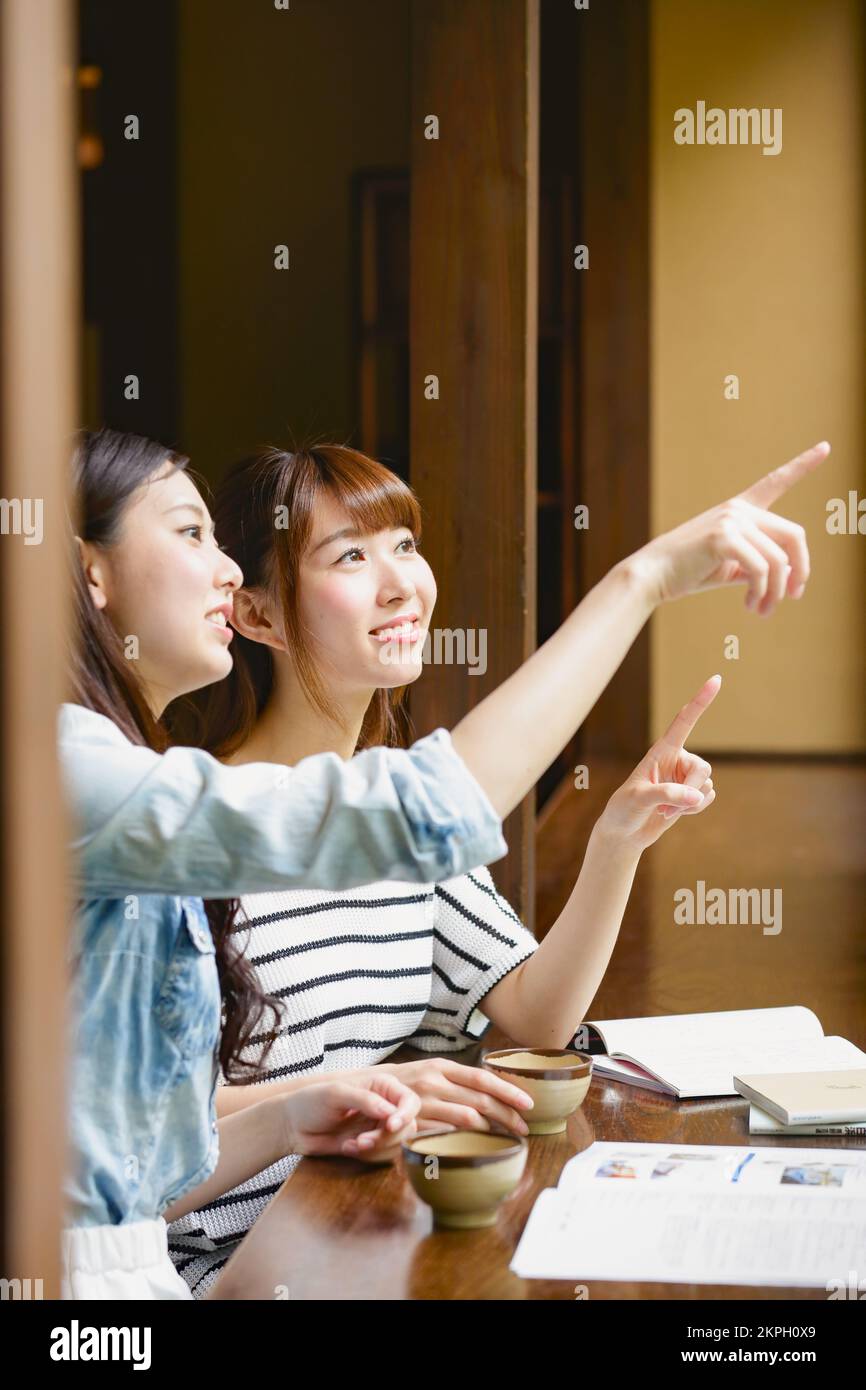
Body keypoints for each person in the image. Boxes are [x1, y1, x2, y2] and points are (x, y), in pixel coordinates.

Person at [64, 426, 828, 1297]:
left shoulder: (158, 795)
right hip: (231, 1260)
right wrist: (639, 581)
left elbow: (150, 1153)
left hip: (338, 1230)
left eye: (406, 546)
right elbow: (424, 810)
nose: (226, 570)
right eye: (190, 534)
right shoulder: (178, 813)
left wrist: (615, 841)